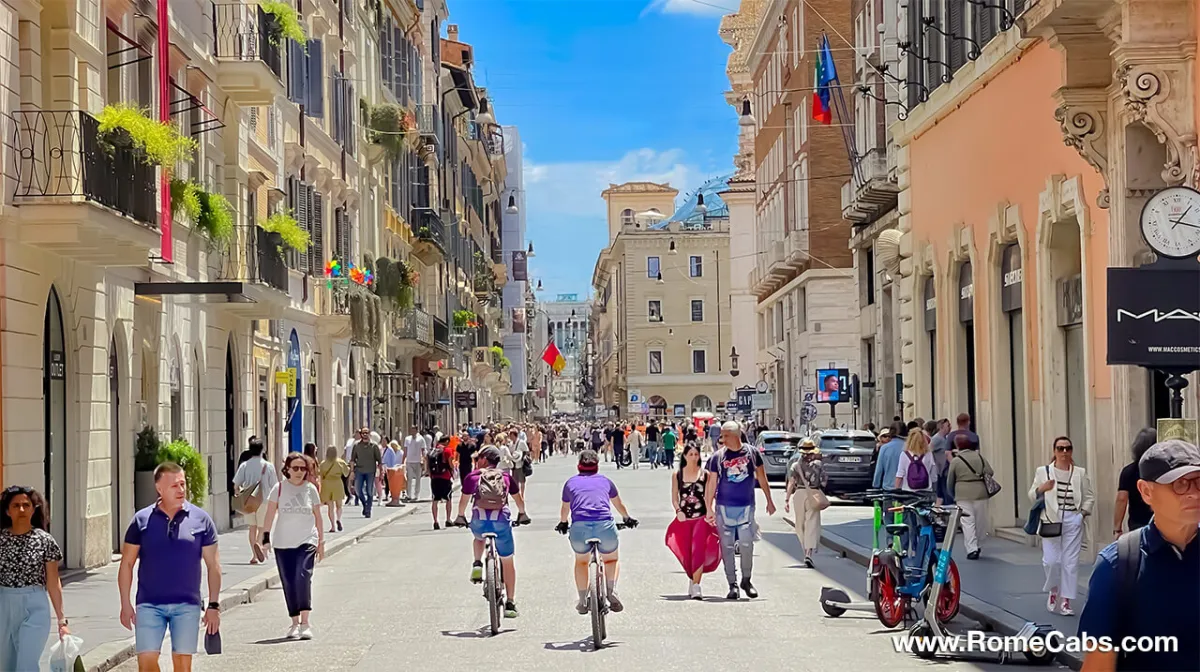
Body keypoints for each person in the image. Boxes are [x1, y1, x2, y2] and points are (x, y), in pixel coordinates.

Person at [1078, 440, 1200, 672]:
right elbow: (1099, 665)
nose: (1194, 494)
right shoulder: (1118, 565)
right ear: (1146, 492)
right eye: (1181, 484)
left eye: (1199, 482)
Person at [119, 462, 221, 672]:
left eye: (183, 484)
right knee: (146, 663)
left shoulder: (201, 520)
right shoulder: (141, 521)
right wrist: (125, 603)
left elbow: (213, 565)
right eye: (174, 485)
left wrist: (213, 605)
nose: (181, 489)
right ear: (159, 488)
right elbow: (127, 564)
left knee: (183, 665)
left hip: (187, 605)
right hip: (149, 604)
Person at [556, 450, 637, 614]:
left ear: (579, 465)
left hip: (579, 528)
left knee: (581, 561)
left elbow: (565, 509)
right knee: (611, 559)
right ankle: (611, 591)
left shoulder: (570, 483)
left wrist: (563, 523)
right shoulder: (606, 481)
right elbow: (618, 504)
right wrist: (627, 518)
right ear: (597, 466)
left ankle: (582, 600)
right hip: (604, 526)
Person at [704, 421, 776, 600]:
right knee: (727, 547)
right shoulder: (717, 457)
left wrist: (769, 500)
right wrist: (708, 508)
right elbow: (711, 484)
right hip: (723, 507)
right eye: (721, 435)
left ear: (736, 436)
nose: (722, 439)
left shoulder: (752, 453)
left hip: (746, 506)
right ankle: (732, 584)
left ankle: (746, 580)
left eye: (725, 436)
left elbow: (762, 477)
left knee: (746, 545)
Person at [453, 446, 527, 619]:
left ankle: (477, 564)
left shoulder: (473, 477)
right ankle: (510, 603)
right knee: (507, 561)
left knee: (478, 538)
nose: (476, 461)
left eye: (478, 458)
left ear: (484, 459)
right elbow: (519, 500)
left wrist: (460, 516)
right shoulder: (506, 477)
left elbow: (463, 502)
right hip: (500, 522)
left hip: (479, 521)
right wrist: (522, 514)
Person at [0, 486, 67, 672]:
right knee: (5, 665)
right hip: (4, 603)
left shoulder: (45, 540)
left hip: (35, 605)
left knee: (27, 664)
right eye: (16, 506)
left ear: (33, 509)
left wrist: (62, 620)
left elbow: (53, 581)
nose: (21, 509)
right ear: (7, 511)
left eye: (26, 505)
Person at [1028, 436, 1094, 616]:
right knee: (1051, 561)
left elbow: (1089, 497)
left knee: (1070, 562)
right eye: (1060, 448)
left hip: (1073, 518)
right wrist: (1042, 488)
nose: (1064, 452)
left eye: (1068, 448)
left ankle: (1066, 600)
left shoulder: (1079, 473)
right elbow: (1032, 495)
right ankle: (1054, 588)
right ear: (1054, 451)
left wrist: (1082, 514)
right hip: (1051, 519)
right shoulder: (1043, 471)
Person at [262, 453, 325, 640]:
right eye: (295, 468)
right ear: (287, 469)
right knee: (289, 582)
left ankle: (305, 623)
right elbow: (269, 514)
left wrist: (321, 541)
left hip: (307, 540)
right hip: (283, 542)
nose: (299, 472)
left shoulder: (310, 489)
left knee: (303, 577)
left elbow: (318, 517)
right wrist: (265, 539)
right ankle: (295, 622)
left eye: (303, 468)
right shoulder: (279, 488)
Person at [666, 442, 720, 599]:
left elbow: (708, 497)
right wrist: (678, 511)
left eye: (696, 454)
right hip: (684, 519)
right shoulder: (677, 475)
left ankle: (697, 585)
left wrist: (710, 511)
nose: (694, 457)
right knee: (686, 551)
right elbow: (674, 497)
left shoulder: (705, 475)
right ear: (684, 456)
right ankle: (692, 578)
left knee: (698, 550)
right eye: (691, 454)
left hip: (700, 518)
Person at [946, 432, 995, 559]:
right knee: (980, 521)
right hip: (980, 492)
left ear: (957, 446)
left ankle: (971, 548)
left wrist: (952, 493)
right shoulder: (979, 457)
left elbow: (950, 480)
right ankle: (979, 544)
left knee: (967, 521)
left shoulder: (956, 461)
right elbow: (990, 472)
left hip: (962, 493)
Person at [232, 437, 278, 564]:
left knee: (252, 528)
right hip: (264, 500)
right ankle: (259, 544)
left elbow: (236, 485)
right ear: (262, 450)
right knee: (262, 527)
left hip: (249, 501)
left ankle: (254, 555)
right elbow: (275, 485)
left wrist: (238, 493)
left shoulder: (245, 465)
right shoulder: (268, 466)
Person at [784, 437, 828, 567]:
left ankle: (804, 550)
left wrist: (787, 499)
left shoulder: (795, 465)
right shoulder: (819, 465)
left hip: (799, 494)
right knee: (812, 523)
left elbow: (791, 482)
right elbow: (824, 482)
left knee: (800, 524)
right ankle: (809, 553)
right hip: (813, 493)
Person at [1114, 427, 1157, 539]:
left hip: (1137, 522)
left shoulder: (1129, 471)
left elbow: (1121, 499)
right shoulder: (1161, 470)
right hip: (1160, 519)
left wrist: (1117, 528)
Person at [349, 427, 383, 519]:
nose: (365, 435)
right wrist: (352, 471)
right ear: (360, 435)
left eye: (366, 433)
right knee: (358, 490)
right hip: (359, 471)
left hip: (370, 471)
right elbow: (352, 460)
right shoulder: (356, 445)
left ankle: (368, 510)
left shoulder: (374, 446)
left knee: (369, 491)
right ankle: (365, 504)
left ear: (369, 434)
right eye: (363, 433)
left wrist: (381, 472)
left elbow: (379, 461)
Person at [895, 430, 938, 494]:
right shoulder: (928, 454)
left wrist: (896, 490)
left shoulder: (904, 454)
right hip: (926, 490)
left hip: (908, 491)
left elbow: (900, 474)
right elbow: (933, 475)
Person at [318, 446, 349, 532]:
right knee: (339, 505)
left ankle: (333, 526)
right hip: (337, 483)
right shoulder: (340, 462)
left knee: (330, 507)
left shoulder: (323, 463)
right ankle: (338, 519)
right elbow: (346, 473)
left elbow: (320, 475)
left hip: (327, 484)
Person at [428, 436, 456, 529]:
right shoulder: (447, 450)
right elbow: (450, 463)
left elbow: (427, 464)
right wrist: (453, 470)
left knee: (435, 500)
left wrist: (431, 475)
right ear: (447, 441)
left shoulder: (432, 451)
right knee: (448, 499)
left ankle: (435, 521)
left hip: (434, 478)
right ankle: (448, 519)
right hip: (445, 477)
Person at [872, 423, 905, 490]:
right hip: (907, 487)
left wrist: (876, 485)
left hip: (889, 486)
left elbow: (879, 469)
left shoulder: (885, 448)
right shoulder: (910, 447)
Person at [403, 426, 427, 502]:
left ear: (416, 431)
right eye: (411, 430)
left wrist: (423, 461)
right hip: (409, 461)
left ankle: (416, 495)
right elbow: (405, 450)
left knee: (418, 479)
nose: (412, 432)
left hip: (418, 461)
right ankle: (409, 495)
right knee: (409, 478)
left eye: (414, 430)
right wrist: (403, 461)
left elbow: (423, 450)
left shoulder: (421, 439)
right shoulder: (407, 439)